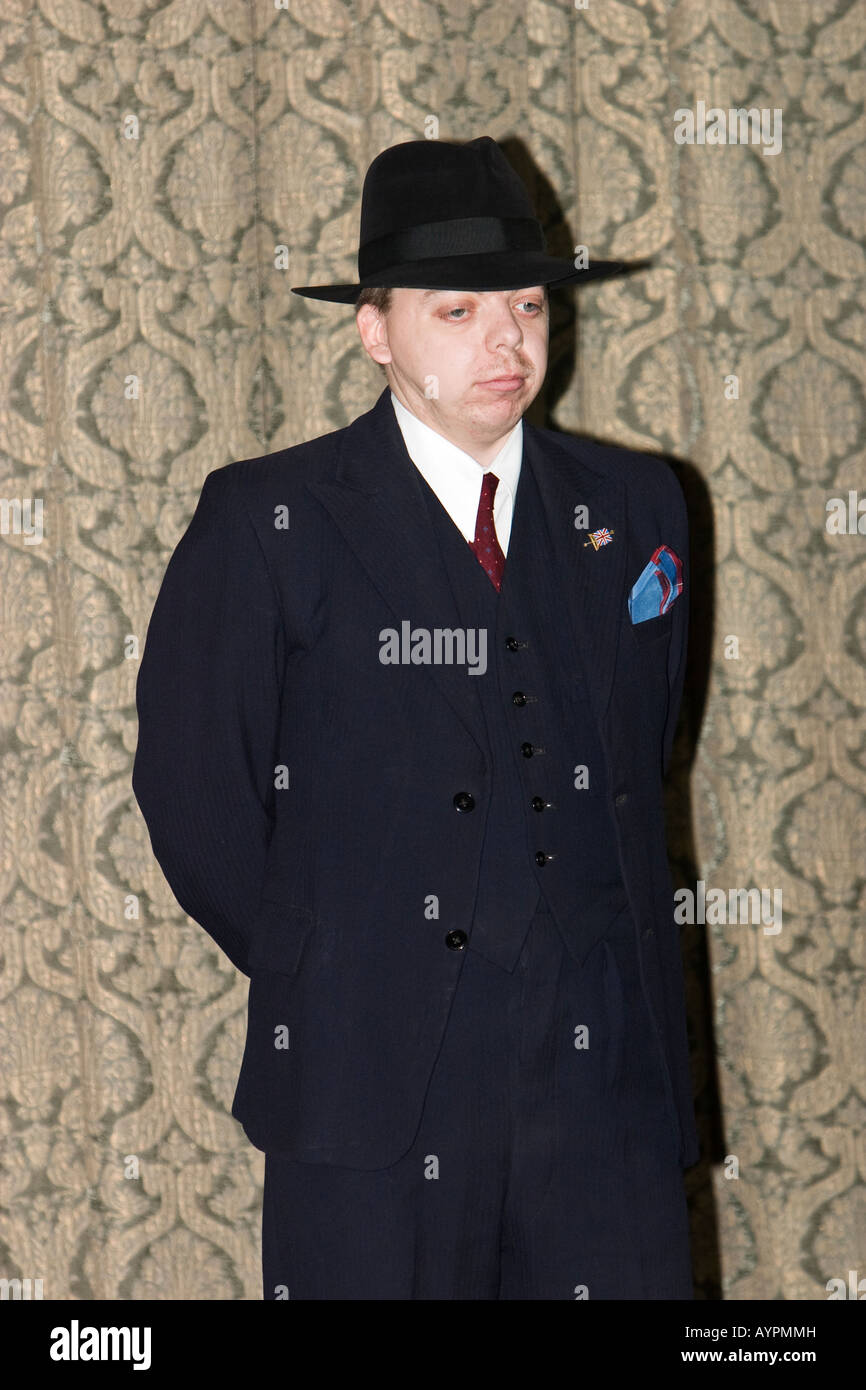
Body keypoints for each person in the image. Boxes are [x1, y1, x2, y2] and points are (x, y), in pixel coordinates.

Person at [132, 135, 699, 1300]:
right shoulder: (267, 521)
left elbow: (649, 745)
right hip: (369, 1095)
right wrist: (335, 966)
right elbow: (196, 800)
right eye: (458, 310)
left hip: (601, 1097)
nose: (508, 341)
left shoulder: (639, 504)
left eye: (528, 306)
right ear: (375, 331)